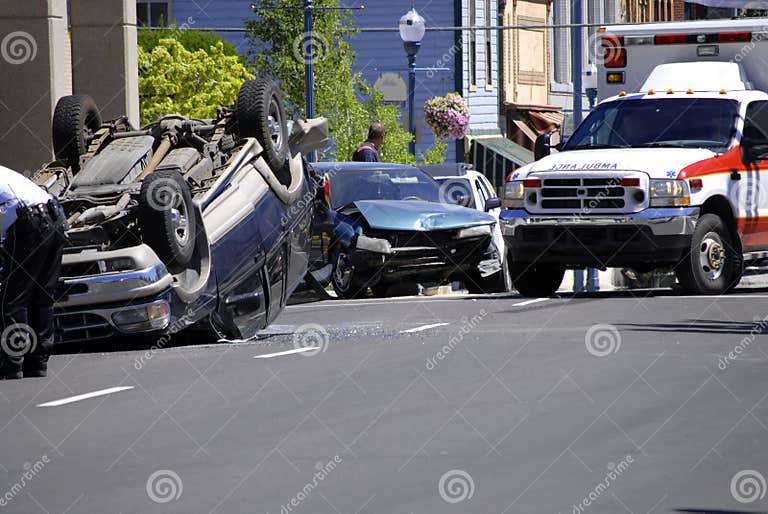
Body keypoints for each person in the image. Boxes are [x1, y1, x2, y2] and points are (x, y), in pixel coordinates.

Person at [0, 165, 67, 379]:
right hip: (54, 218)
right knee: (41, 295)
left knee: (11, 300)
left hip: (28, 224)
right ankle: (37, 362)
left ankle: (12, 363)